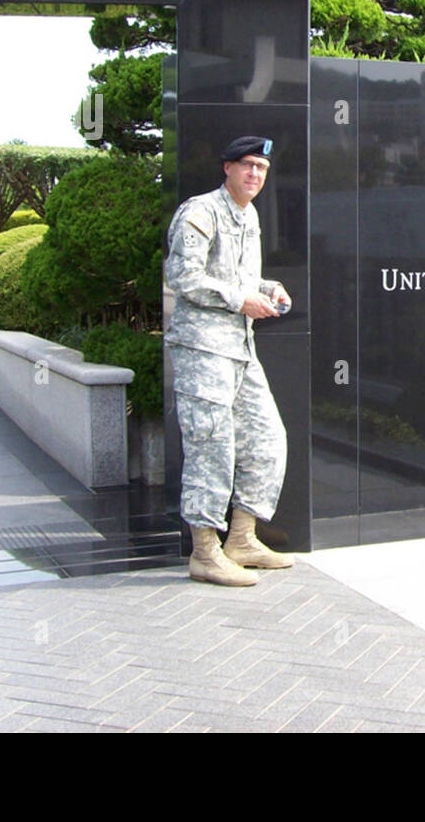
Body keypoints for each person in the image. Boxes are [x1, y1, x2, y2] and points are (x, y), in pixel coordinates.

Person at [164, 135, 294, 587]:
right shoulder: (200, 212)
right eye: (247, 165)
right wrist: (242, 299)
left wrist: (267, 289)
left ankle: (241, 538)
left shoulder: (249, 214)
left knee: (267, 439)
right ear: (227, 167)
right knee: (211, 446)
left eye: (262, 167)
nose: (254, 175)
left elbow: (242, 276)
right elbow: (183, 277)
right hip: (203, 351)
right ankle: (204, 552)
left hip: (240, 350)